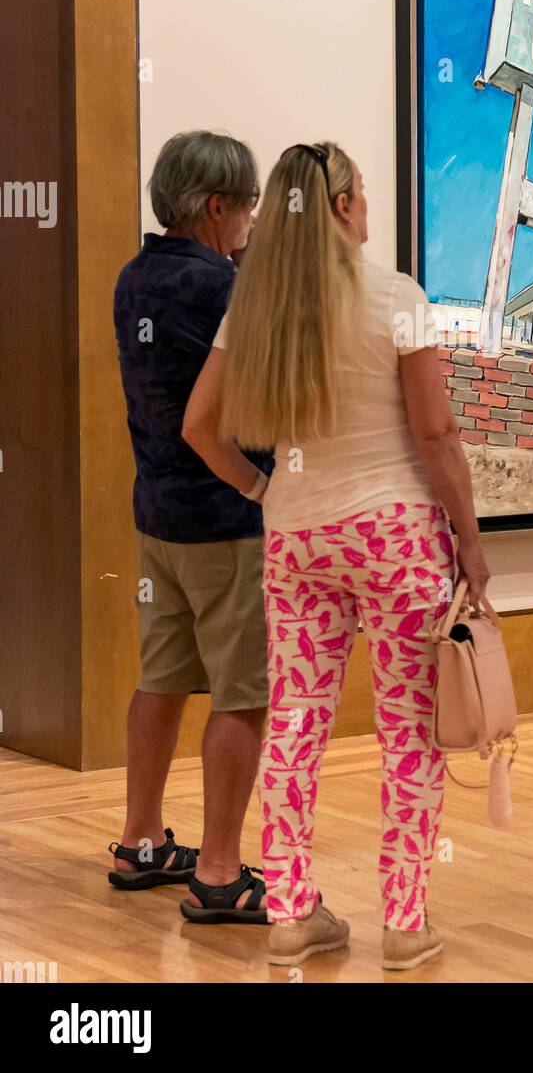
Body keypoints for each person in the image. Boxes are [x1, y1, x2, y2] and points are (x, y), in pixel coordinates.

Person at [182, 141, 490, 970]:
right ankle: (404, 921)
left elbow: (198, 428)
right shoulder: (397, 297)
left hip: (296, 537)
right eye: (362, 195)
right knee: (407, 733)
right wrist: (470, 543)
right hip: (396, 537)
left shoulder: (254, 307)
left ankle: (289, 914)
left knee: (297, 723)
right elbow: (437, 435)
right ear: (347, 204)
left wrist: (261, 491)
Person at [111, 129, 272, 923]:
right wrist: (263, 486)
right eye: (248, 205)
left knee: (162, 678)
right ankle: (218, 870)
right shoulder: (228, 292)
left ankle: (141, 842)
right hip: (226, 523)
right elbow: (249, 411)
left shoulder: (132, 278)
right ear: (218, 207)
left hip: (156, 521)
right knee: (242, 695)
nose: (253, 220)